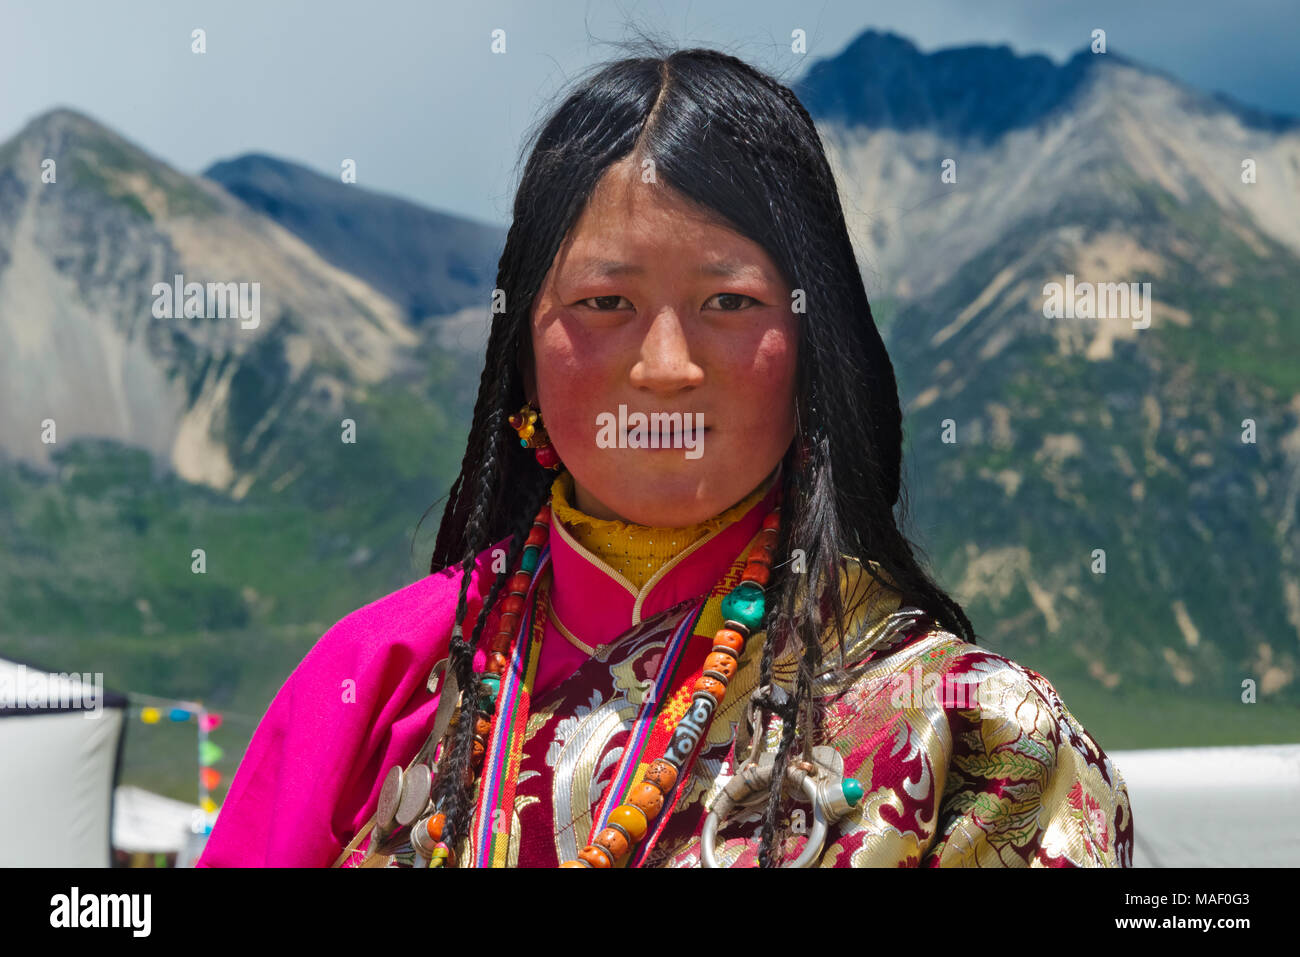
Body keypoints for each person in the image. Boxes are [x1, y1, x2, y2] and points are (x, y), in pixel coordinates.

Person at [197, 45, 1132, 868]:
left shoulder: (967, 733)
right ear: (520, 349)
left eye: (730, 302)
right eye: (605, 304)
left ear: (815, 349)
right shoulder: (376, 684)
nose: (667, 368)